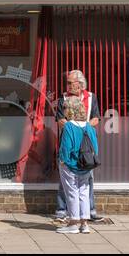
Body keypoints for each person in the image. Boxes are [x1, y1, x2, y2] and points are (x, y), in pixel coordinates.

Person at [55, 70, 103, 222]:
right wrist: (73, 127)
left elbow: (96, 117)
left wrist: (85, 127)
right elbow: (59, 120)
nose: (68, 85)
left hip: (86, 143)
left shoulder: (91, 97)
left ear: (80, 84)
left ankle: (89, 210)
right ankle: (62, 209)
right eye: (67, 82)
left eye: (70, 83)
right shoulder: (63, 99)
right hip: (69, 141)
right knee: (66, 178)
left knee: (87, 179)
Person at [56, 95, 98, 234]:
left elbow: (65, 147)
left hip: (70, 165)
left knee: (72, 192)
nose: (65, 111)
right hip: (85, 165)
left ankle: (73, 223)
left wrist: (62, 161)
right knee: (84, 192)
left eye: (66, 108)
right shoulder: (89, 126)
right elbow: (95, 147)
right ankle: (84, 224)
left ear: (71, 110)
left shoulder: (68, 126)